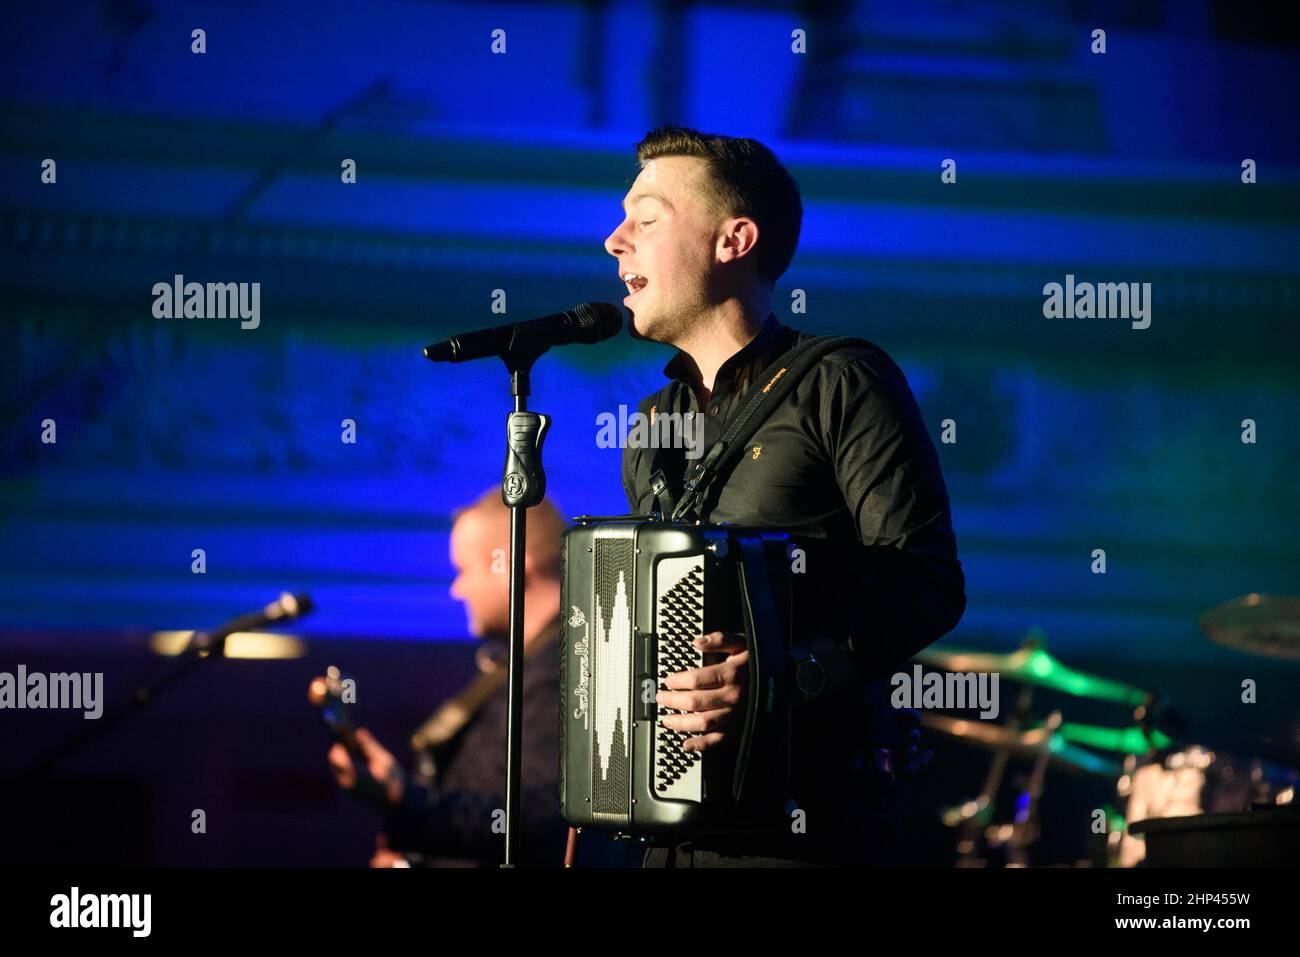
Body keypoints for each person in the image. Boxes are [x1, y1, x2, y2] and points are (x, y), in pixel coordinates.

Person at [603, 126, 966, 867]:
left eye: (645, 218)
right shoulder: (652, 423)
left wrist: (784, 671)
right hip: (674, 832)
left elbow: (926, 580)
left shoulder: (842, 379)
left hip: (811, 829)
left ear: (733, 240)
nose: (615, 240)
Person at [327, 487, 569, 867]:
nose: (457, 589)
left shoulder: (560, 668)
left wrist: (406, 802)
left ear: (508, 564)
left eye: (463, 570)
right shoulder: (523, 666)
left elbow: (540, 817)